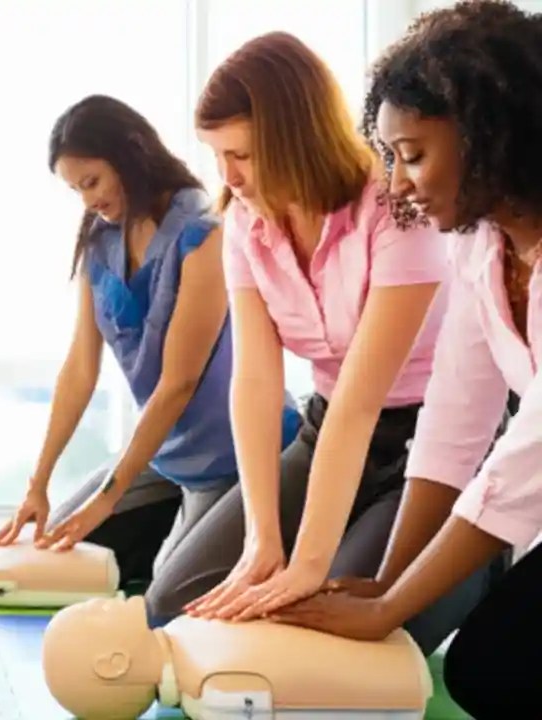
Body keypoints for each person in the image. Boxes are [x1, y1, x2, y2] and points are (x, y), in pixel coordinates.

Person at [143, 31, 495, 655]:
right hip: (325, 428)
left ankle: (475, 558)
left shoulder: (397, 208)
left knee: (344, 625)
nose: (226, 176)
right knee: (172, 604)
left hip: (424, 444)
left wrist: (306, 563)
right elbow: (254, 383)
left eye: (242, 155)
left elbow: (364, 402)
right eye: (216, 154)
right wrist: (263, 540)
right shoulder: (244, 223)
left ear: (294, 135)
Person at [270, 3, 542, 715]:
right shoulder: (481, 246)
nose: (394, 184)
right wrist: (388, 582)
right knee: (485, 670)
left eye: (413, 154)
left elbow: (526, 457)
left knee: (496, 668)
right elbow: (455, 422)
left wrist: (390, 607)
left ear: (492, 135)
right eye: (388, 156)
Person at [0, 94, 302, 590]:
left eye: (92, 182)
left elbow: (179, 383)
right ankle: (169, 528)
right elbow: (79, 369)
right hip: (164, 455)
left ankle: (195, 540)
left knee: (169, 596)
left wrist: (109, 499)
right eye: (76, 190)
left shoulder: (202, 232)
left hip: (237, 460)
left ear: (130, 154)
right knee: (57, 553)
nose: (88, 200)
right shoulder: (100, 240)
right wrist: (38, 484)